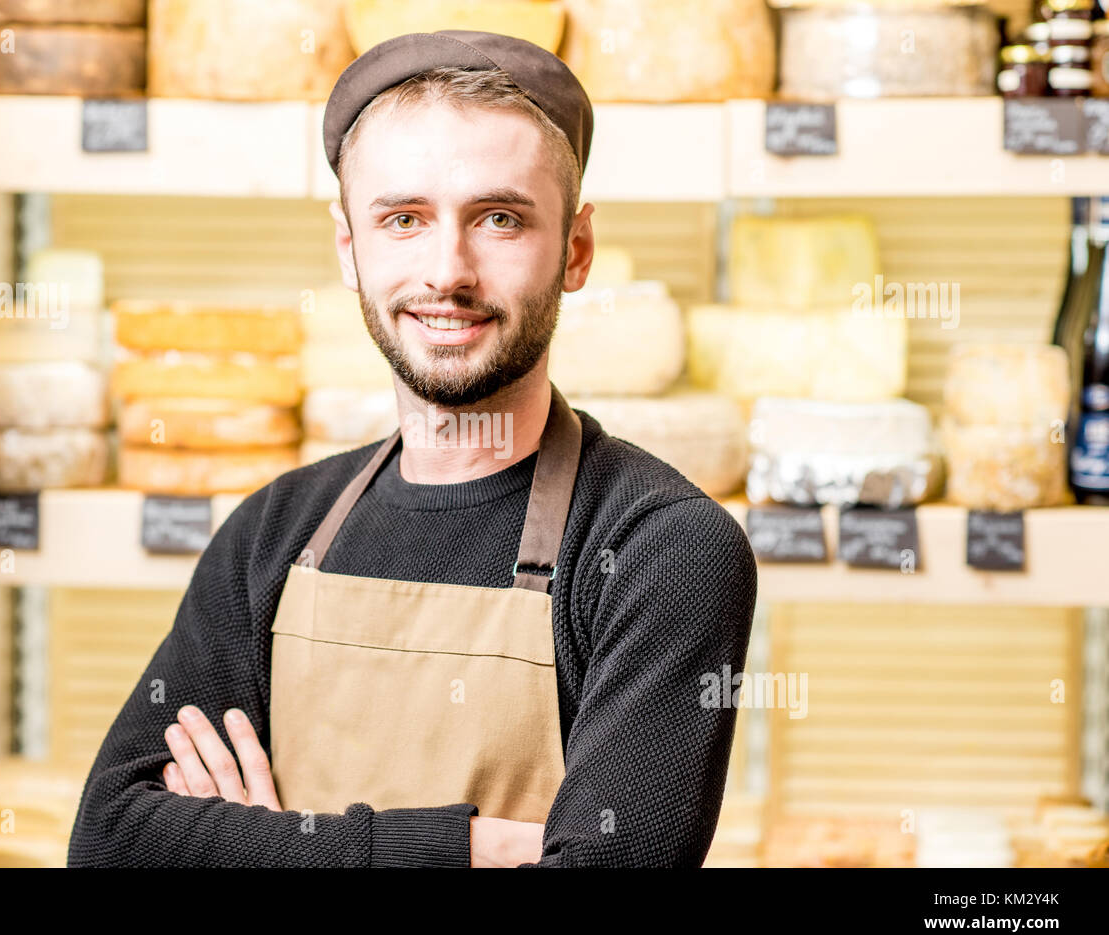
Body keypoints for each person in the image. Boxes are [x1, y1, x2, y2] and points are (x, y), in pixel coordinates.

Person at [68, 30, 757, 868]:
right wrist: (465, 844)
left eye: (499, 218)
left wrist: (264, 843)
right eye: (403, 219)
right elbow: (109, 840)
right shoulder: (272, 534)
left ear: (576, 250)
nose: (447, 271)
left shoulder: (662, 550)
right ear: (350, 248)